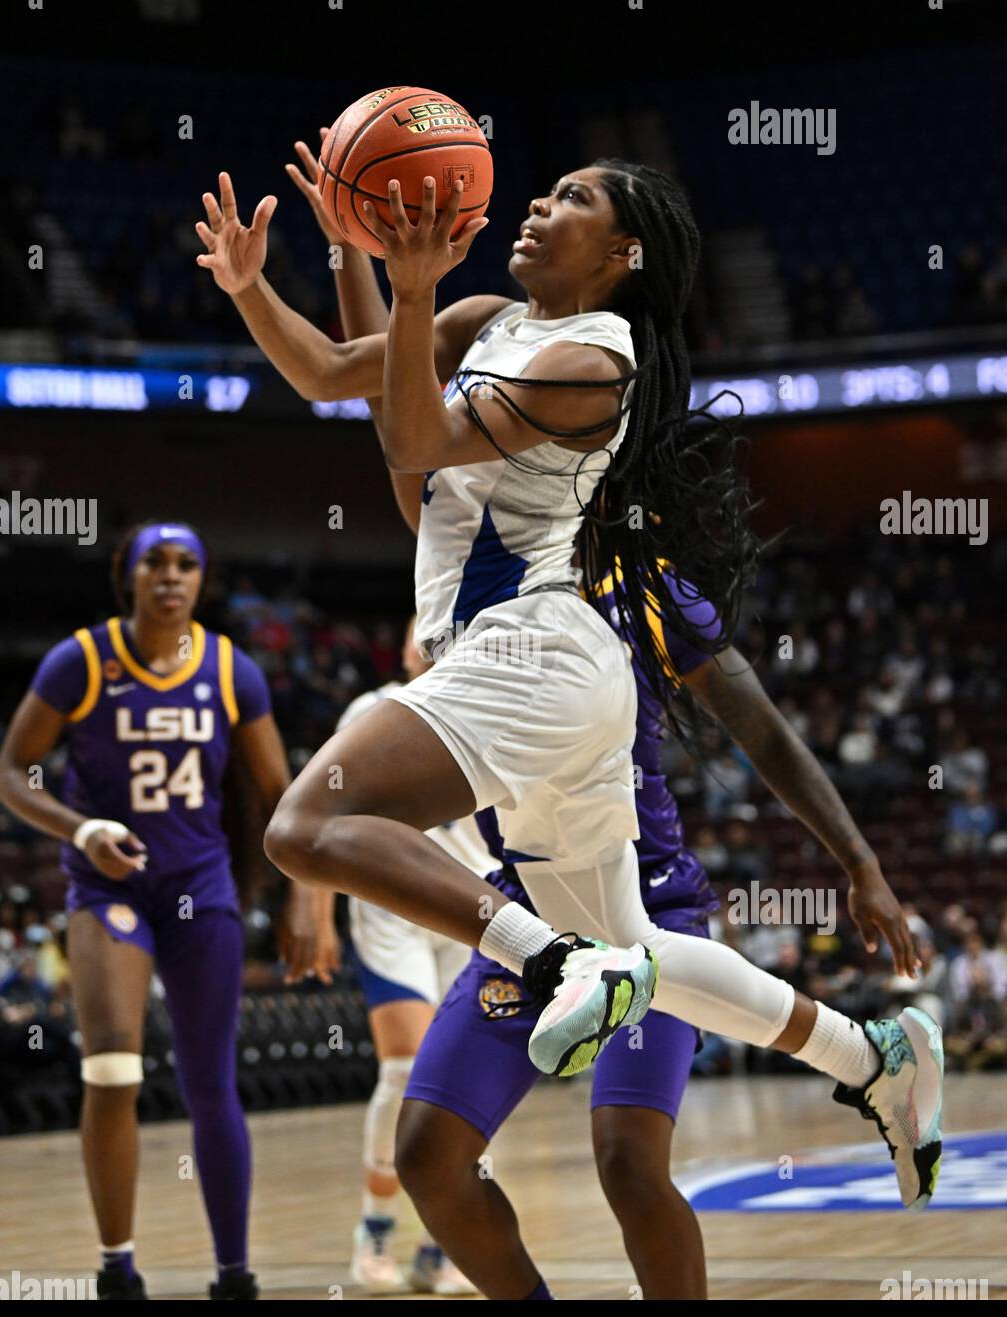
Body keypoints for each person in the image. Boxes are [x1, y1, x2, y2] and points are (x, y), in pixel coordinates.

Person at [195, 154, 943, 1226]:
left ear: (622, 254)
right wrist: (266, 280)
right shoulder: (490, 319)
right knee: (633, 945)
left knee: (308, 823)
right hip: (539, 675)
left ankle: (554, 962)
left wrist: (406, 289)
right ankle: (866, 1054)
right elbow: (336, 380)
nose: (539, 205)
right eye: (542, 192)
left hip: (535, 655)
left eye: (573, 200)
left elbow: (411, 431)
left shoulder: (597, 355)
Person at [0, 522, 317, 1300]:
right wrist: (82, 829)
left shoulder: (232, 670)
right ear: (126, 575)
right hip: (108, 888)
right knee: (111, 1069)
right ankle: (117, 1269)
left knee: (212, 1083)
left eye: (186, 565)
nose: (170, 577)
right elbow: (9, 774)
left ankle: (234, 1276)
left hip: (201, 889)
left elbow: (284, 800)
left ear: (202, 580)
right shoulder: (82, 660)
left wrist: (310, 900)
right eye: (155, 564)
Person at [311, 618, 483, 1296]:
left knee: (462, 1080)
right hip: (390, 908)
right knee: (406, 1068)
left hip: (471, 909)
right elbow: (321, 809)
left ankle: (442, 1241)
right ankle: (377, 1223)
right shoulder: (372, 710)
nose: (432, 638)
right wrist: (316, 908)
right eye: (422, 628)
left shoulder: (495, 705)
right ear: (406, 644)